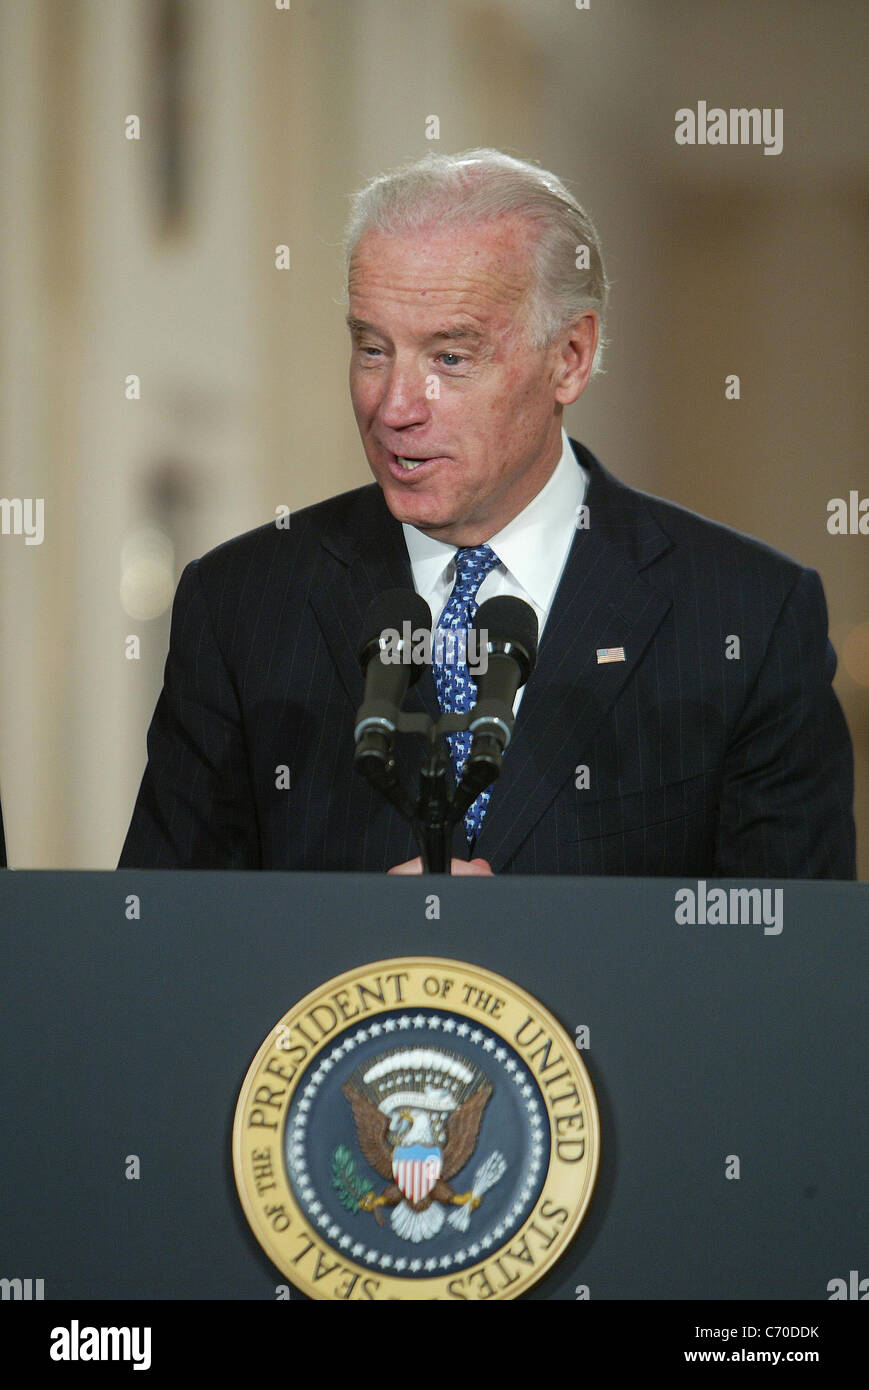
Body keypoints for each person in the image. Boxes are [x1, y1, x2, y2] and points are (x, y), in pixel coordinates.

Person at [118, 149, 856, 877]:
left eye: (450, 359)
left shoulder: (745, 619)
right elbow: (160, 949)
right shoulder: (243, 604)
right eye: (372, 349)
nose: (394, 407)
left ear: (568, 357)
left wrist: (513, 950)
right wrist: (349, 942)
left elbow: (786, 966)